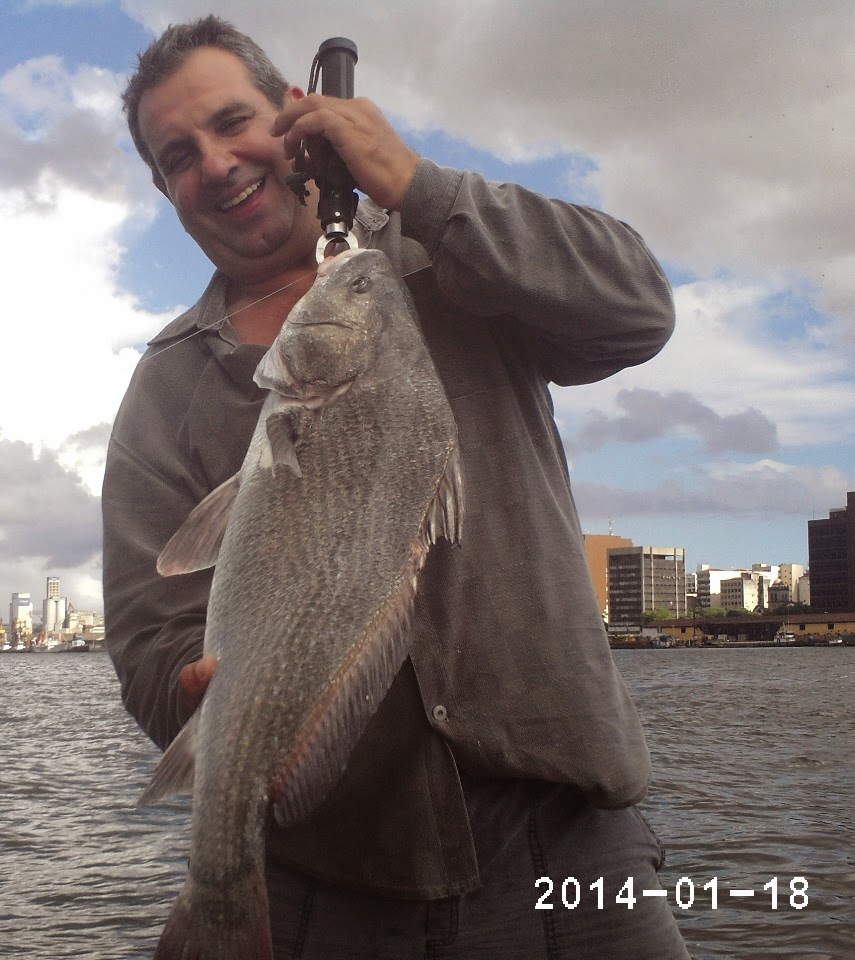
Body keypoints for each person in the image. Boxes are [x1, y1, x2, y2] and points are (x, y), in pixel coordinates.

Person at [102, 14, 689, 959]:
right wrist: (197, 693)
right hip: (322, 887)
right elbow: (144, 633)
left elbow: (639, 311)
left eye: (232, 121)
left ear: (299, 114)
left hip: (570, 851)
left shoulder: (448, 254)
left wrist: (421, 185)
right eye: (178, 155)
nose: (214, 162)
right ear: (166, 189)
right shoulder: (165, 387)